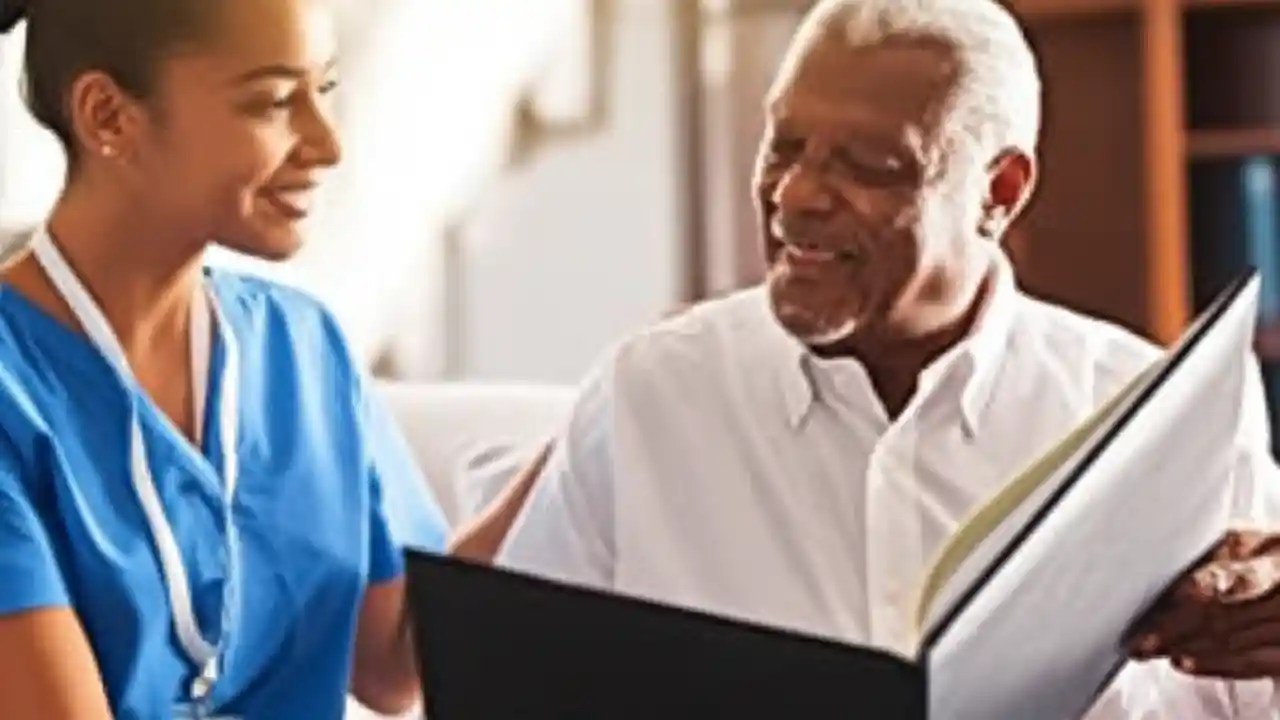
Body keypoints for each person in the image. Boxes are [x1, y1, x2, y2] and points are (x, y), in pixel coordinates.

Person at [483, 0, 1280, 715]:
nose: (796, 195)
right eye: (784, 145)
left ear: (998, 191)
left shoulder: (1158, 412)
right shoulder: (649, 393)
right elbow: (503, 683)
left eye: (869, 165)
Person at [0, 0, 447, 717]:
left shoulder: (304, 348)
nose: (327, 144)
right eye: (272, 102)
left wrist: (592, 434)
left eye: (323, 90)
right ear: (108, 116)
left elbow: (395, 665)